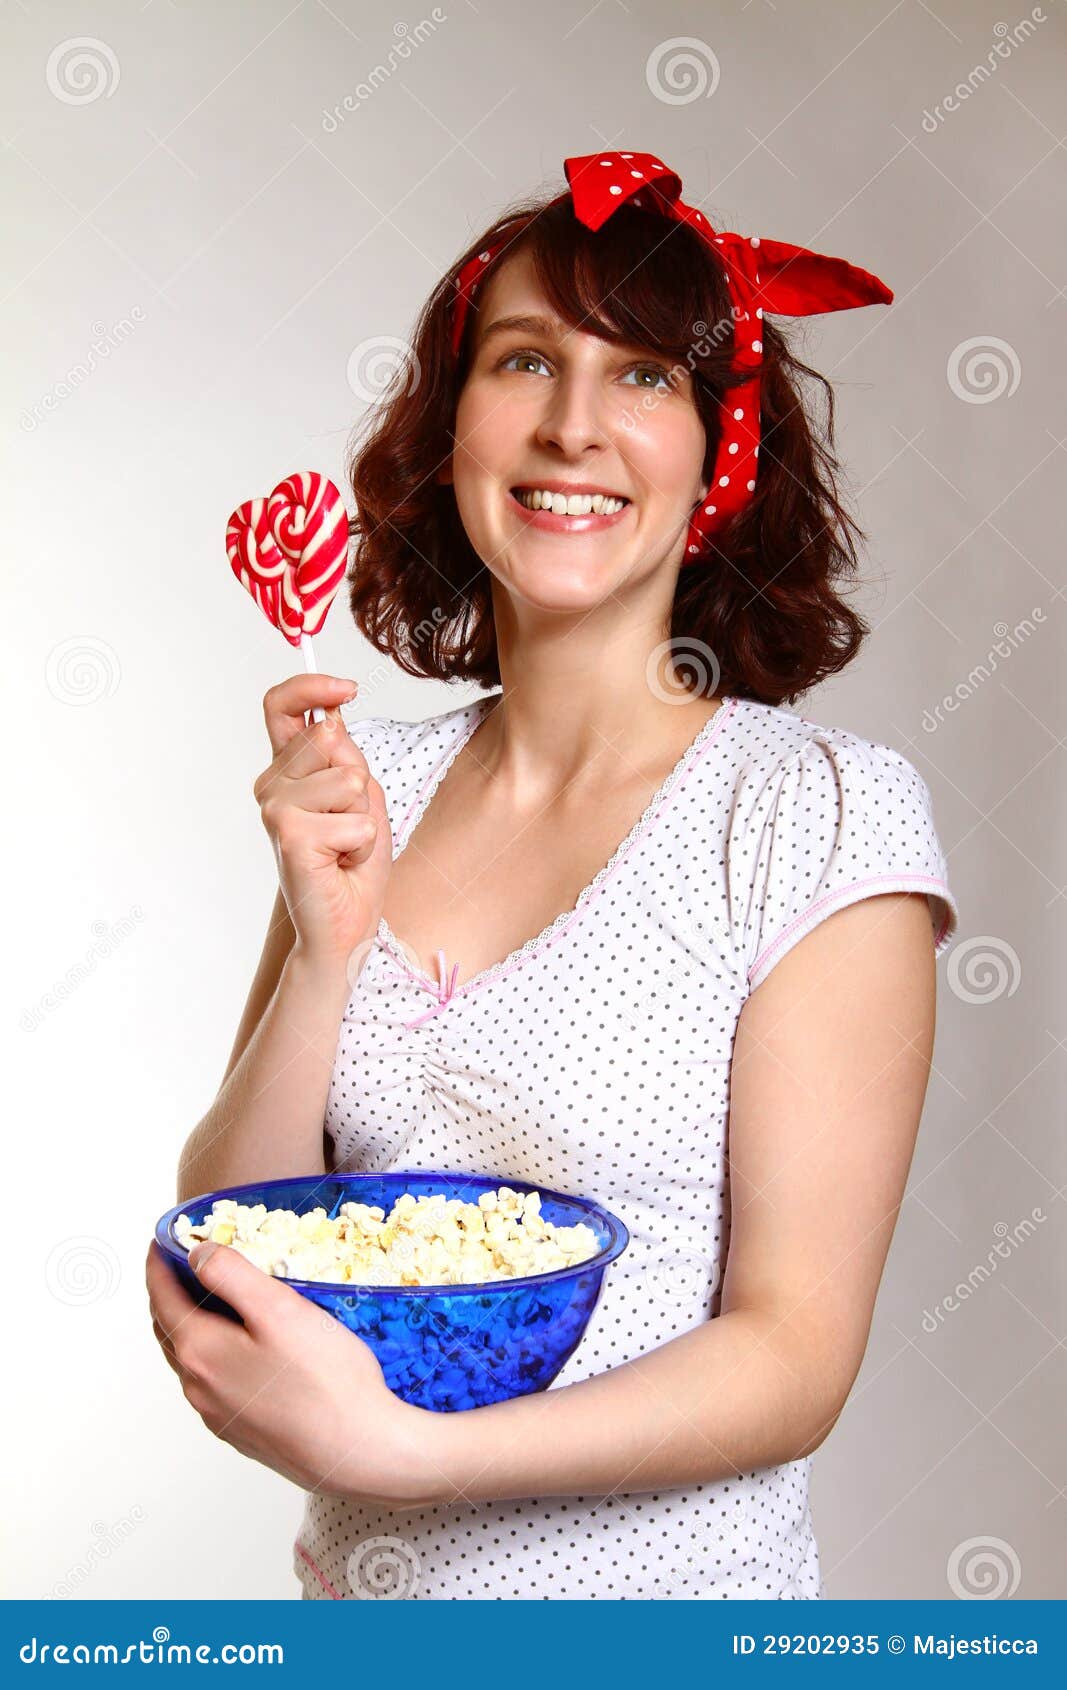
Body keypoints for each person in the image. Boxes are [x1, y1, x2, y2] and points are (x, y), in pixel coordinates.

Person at [147, 151, 959, 1599]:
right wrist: (329, 948)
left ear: (721, 451)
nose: (574, 426)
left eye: (645, 376)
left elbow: (792, 1351)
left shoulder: (815, 815)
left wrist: (406, 1453)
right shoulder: (367, 786)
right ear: (453, 424)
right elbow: (244, 1230)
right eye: (525, 361)